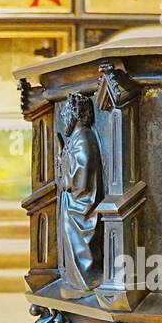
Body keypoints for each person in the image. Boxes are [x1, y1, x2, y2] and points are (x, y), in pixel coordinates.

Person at [56, 93, 101, 298]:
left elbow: (80, 179)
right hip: (72, 203)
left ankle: (85, 278)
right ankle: (75, 278)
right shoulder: (77, 137)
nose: (64, 118)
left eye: (66, 113)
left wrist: (64, 176)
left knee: (75, 238)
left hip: (80, 206)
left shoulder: (83, 137)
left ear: (76, 114)